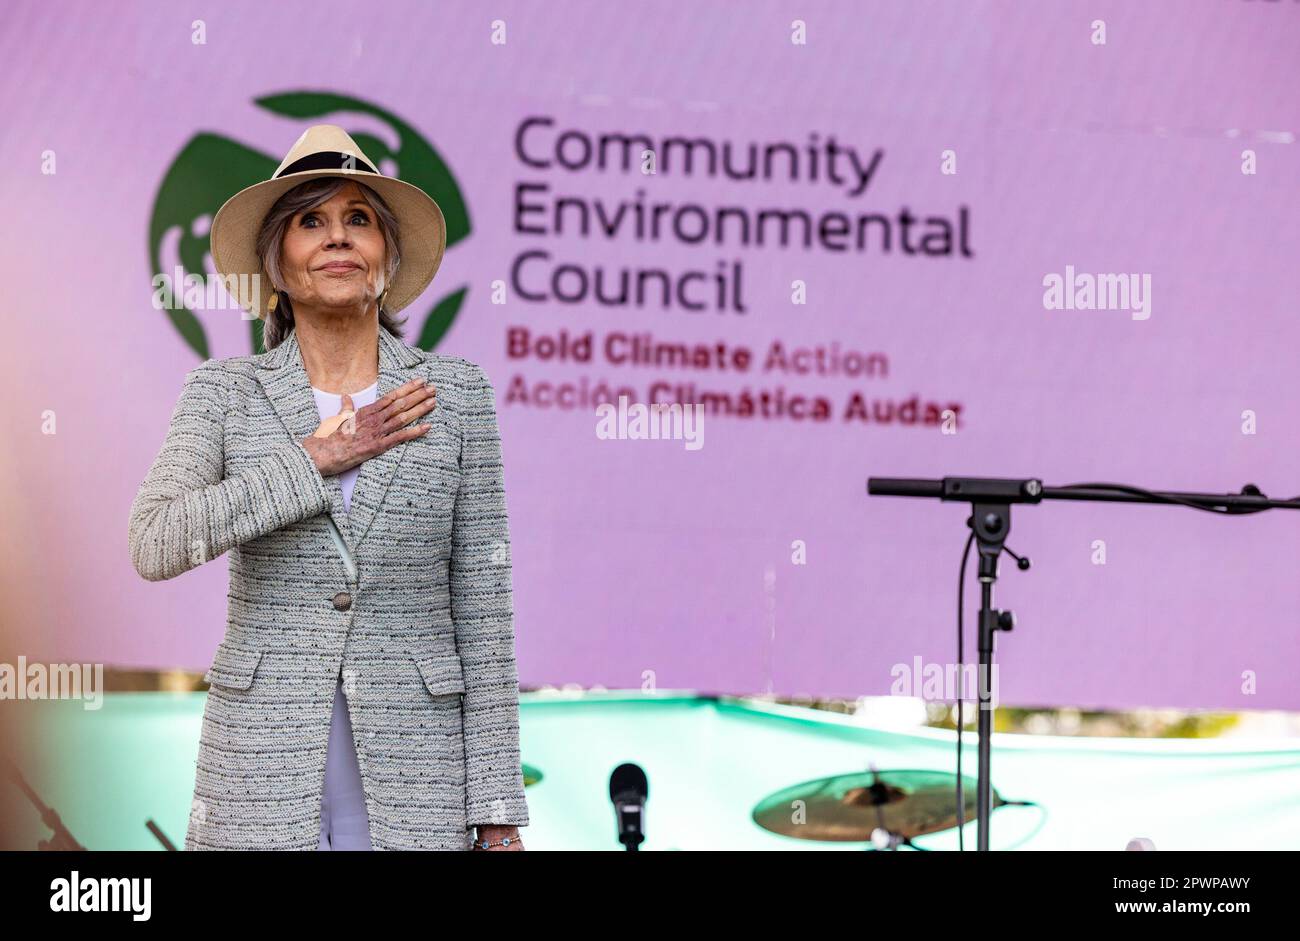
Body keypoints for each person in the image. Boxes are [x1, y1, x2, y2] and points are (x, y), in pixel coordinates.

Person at [129, 125, 527, 850]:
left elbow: (484, 612)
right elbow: (156, 541)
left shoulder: (457, 395)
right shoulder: (223, 393)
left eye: (358, 219)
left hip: (419, 771)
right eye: (310, 221)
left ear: (386, 257)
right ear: (276, 264)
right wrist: (312, 459)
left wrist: (498, 812)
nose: (336, 238)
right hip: (258, 769)